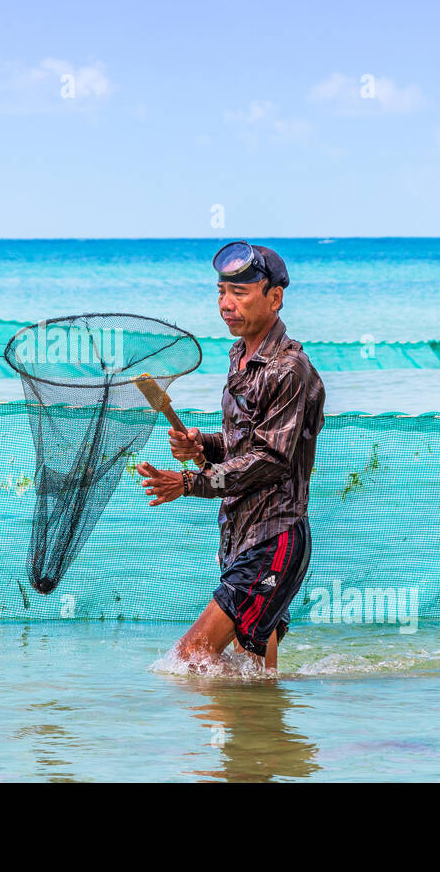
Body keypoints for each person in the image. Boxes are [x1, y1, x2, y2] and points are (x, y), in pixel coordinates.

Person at [137, 241, 325, 673]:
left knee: (185, 664)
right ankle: (266, 742)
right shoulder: (241, 356)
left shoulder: (288, 369)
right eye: (221, 292)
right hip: (242, 536)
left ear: (274, 298)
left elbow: (270, 460)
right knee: (254, 679)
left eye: (240, 293)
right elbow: (244, 442)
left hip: (273, 539)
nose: (226, 304)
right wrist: (204, 445)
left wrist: (188, 483)